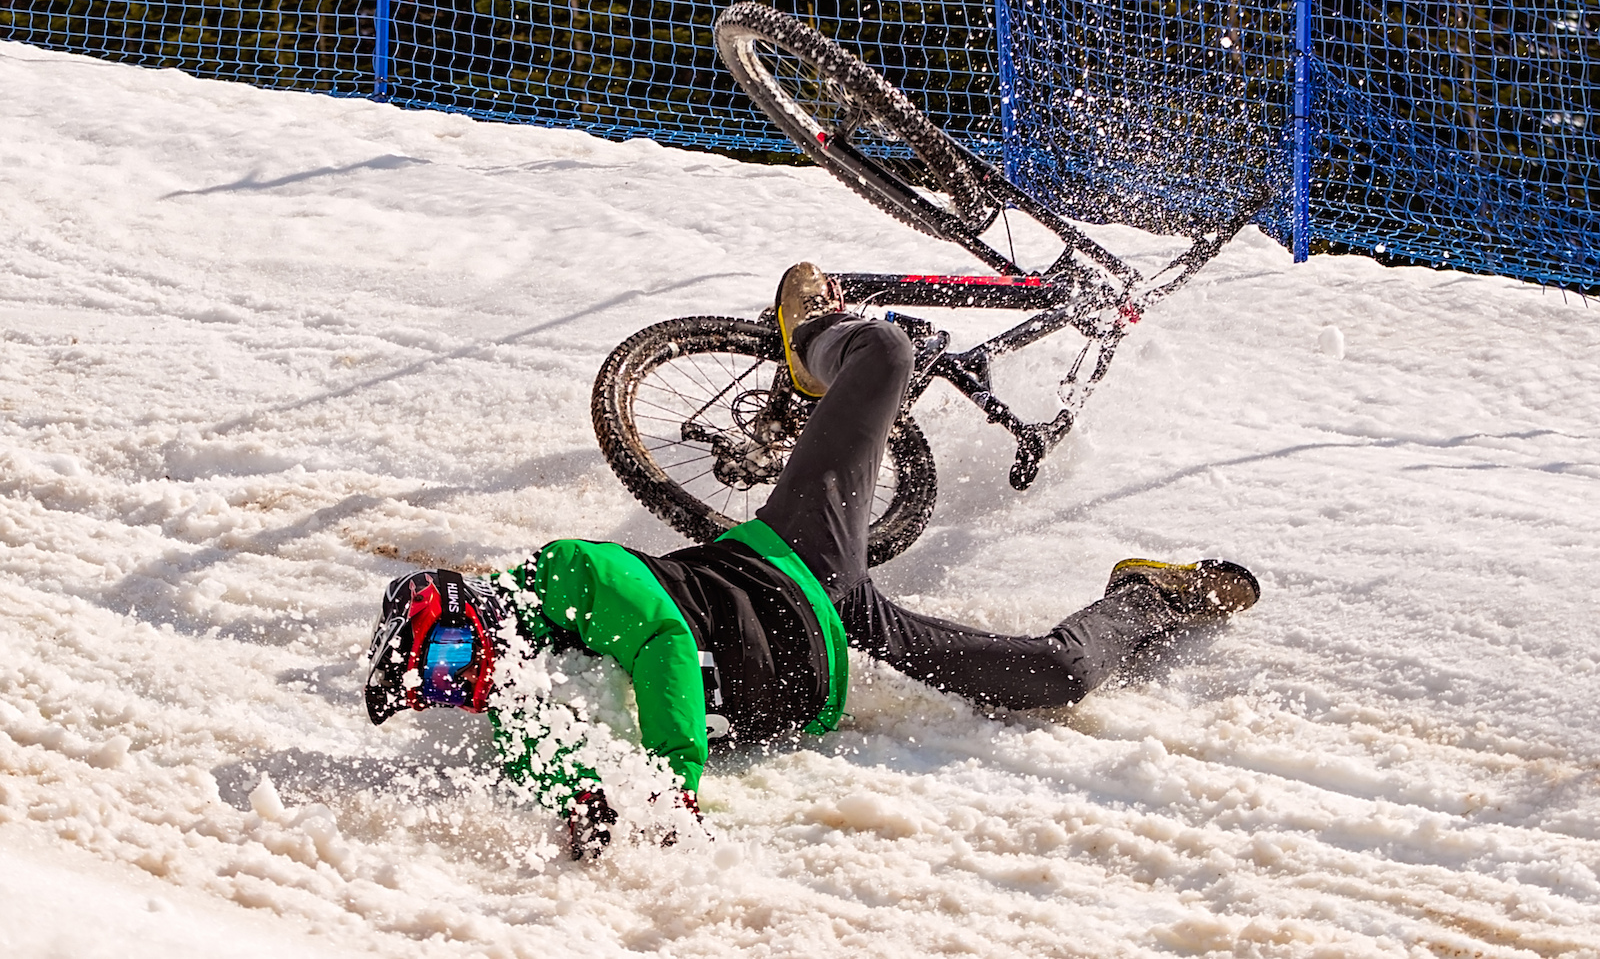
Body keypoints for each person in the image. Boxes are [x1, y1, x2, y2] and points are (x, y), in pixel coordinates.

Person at [362, 263, 1260, 857]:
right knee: (1057, 677)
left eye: (449, 661)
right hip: (839, 651)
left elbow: (667, 641)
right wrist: (602, 816)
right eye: (440, 690)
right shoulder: (522, 722)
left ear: (470, 609)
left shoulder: (563, 578)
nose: (464, 686)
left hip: (792, 563)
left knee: (886, 352)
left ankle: (814, 341)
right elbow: (571, 777)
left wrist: (667, 785)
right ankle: (1149, 598)